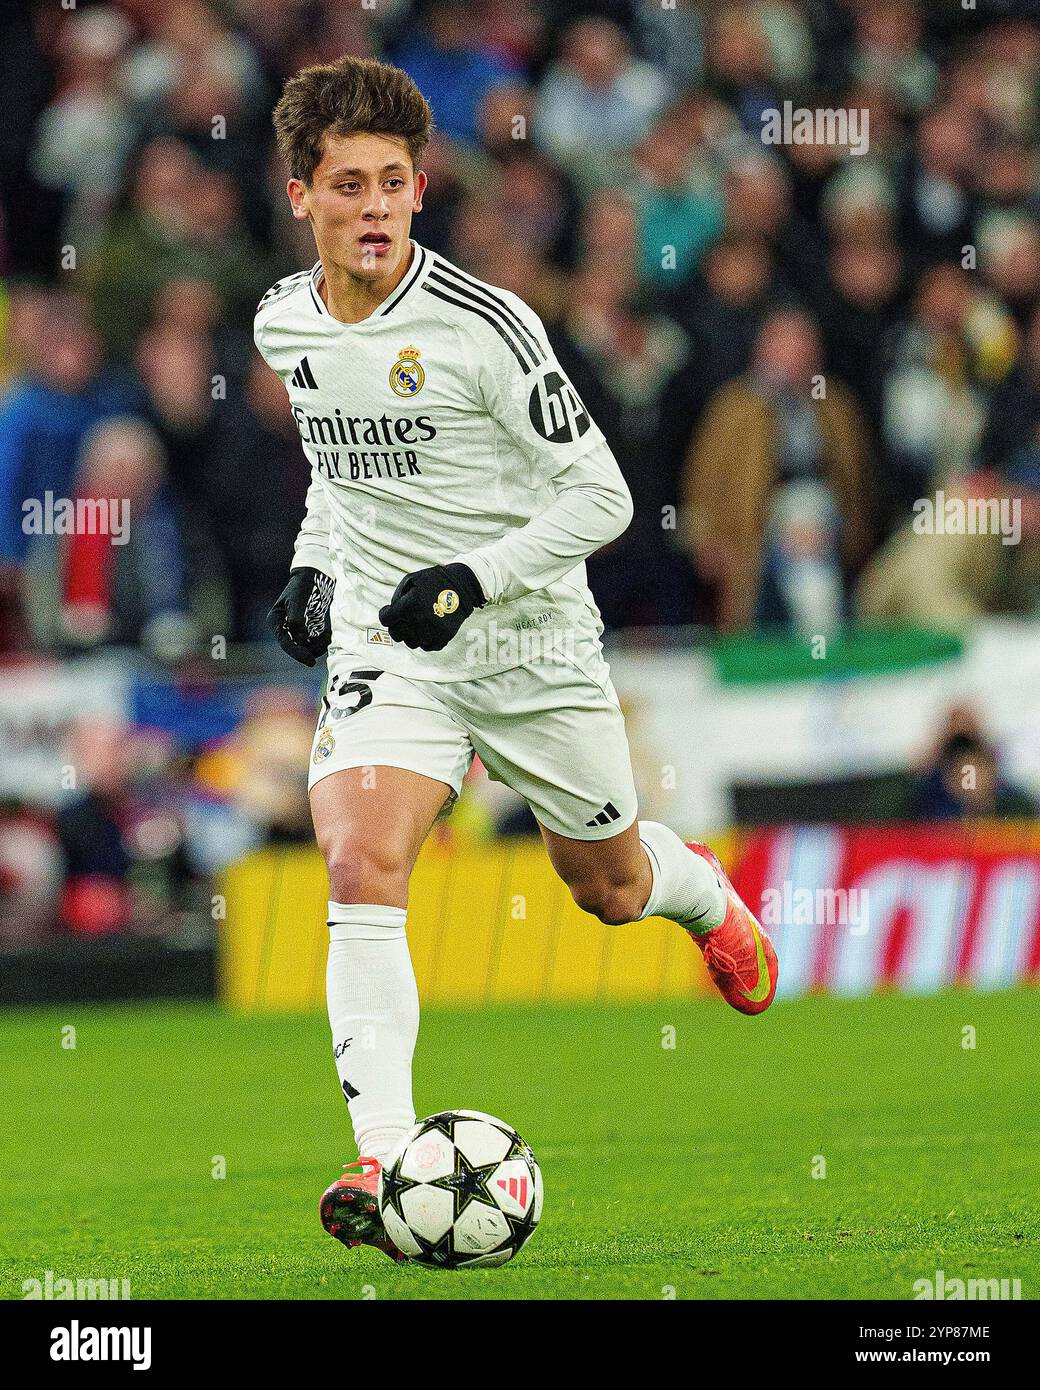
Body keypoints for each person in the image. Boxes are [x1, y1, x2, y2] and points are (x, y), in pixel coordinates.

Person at [255, 55, 778, 1264]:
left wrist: (474, 579)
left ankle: (692, 888)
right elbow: (339, 474)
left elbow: (601, 495)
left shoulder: (484, 326)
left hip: (529, 638)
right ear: (301, 198)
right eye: (348, 185)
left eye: (393, 182)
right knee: (357, 854)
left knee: (603, 889)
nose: (374, 206)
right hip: (394, 641)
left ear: (422, 189)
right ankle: (385, 1157)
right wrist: (310, 562)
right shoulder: (282, 321)